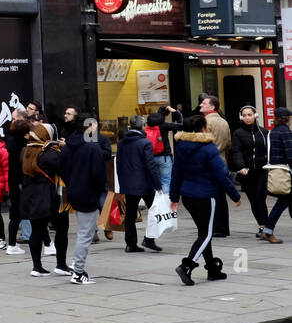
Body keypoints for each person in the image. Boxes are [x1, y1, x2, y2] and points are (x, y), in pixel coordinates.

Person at [169, 114, 241, 286]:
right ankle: (187, 265)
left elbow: (176, 173)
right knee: (207, 233)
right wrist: (235, 195)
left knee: (203, 232)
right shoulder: (209, 148)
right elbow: (221, 175)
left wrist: (173, 197)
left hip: (187, 196)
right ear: (203, 128)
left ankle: (212, 269)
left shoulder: (180, 146)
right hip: (206, 196)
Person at [60, 115, 107, 286]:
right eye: (93, 125)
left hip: (73, 191)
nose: (95, 128)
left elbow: (63, 170)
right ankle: (78, 271)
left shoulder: (68, 146)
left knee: (83, 231)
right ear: (88, 127)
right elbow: (99, 174)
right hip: (88, 193)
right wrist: (99, 188)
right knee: (85, 234)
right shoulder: (92, 147)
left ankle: (77, 267)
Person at [20, 123, 63, 276]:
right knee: (61, 229)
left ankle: (36, 266)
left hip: (29, 195)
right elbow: (63, 167)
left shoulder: (25, 151)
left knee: (36, 231)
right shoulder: (49, 154)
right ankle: (61, 264)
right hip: (47, 196)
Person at [115, 116, 160, 253]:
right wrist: (157, 184)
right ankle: (149, 239)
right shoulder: (145, 143)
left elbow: (118, 164)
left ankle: (130, 244)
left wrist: (122, 184)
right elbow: (150, 165)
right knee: (154, 210)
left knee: (130, 214)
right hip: (144, 183)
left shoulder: (122, 143)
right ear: (142, 127)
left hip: (128, 183)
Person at [230, 105, 270, 238]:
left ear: (255, 116)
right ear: (241, 117)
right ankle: (262, 224)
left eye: (250, 115)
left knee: (260, 197)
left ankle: (265, 226)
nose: (247, 118)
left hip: (262, 170)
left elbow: (269, 151)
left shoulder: (264, 132)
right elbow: (236, 151)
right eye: (245, 115)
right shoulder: (238, 133)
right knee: (253, 199)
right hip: (246, 172)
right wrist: (240, 166)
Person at [258, 107, 292, 244]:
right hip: (284, 171)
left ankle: (267, 230)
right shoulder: (285, 131)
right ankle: (268, 231)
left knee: (285, 201)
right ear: (286, 118)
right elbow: (290, 153)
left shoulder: (272, 132)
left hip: (276, 170)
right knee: (283, 202)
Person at [3, 112, 31, 254]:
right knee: (33, 213)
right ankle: (48, 243)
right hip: (22, 182)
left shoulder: (11, 141)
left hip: (14, 182)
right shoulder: (24, 145)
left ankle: (12, 244)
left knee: (15, 215)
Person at [200, 95, 230, 160]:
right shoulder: (224, 122)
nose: (200, 105)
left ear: (212, 107)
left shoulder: (204, 122)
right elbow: (228, 144)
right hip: (222, 161)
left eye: (204, 103)